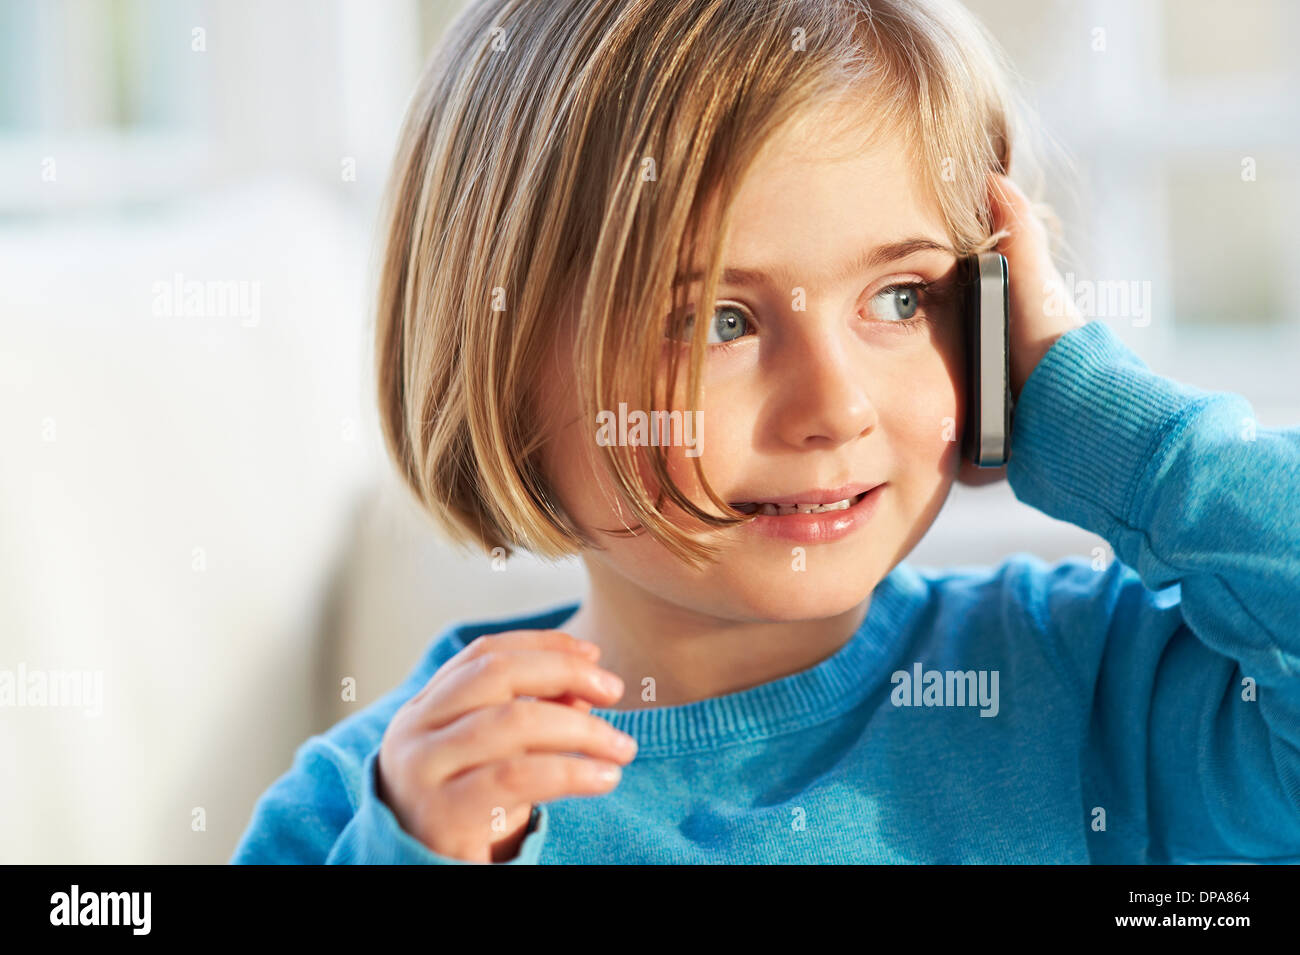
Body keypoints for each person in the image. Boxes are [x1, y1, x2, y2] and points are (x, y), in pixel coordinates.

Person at [231, 0, 1300, 864]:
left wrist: (1091, 413)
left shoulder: (1099, 687)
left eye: (899, 298)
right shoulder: (377, 807)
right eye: (717, 322)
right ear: (499, 365)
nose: (833, 407)